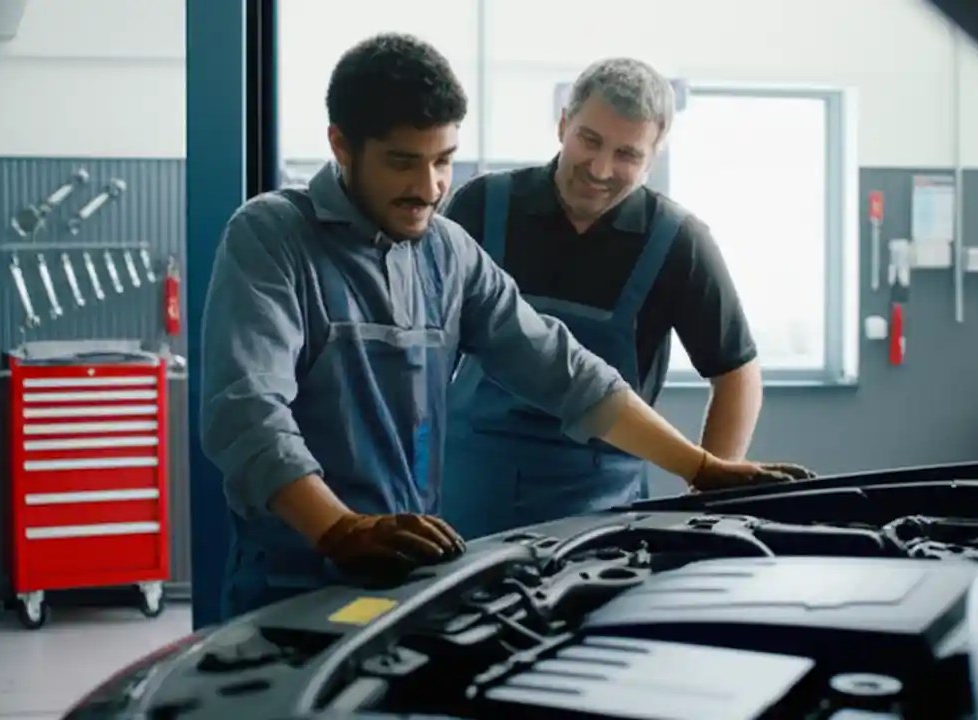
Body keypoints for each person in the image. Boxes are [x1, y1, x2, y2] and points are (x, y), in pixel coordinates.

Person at [199, 33, 811, 621]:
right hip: (291, 576)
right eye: (402, 163)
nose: (429, 188)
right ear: (341, 145)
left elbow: (563, 370)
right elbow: (245, 410)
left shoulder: (447, 251)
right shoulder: (272, 235)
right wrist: (337, 528)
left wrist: (700, 467)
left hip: (407, 570)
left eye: (443, 161)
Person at [439, 57, 790, 540]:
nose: (601, 169)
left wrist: (708, 495)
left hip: (601, 504)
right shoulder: (479, 206)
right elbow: (425, 350)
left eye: (627, 153)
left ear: (655, 154)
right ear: (563, 124)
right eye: (589, 140)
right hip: (468, 490)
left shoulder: (678, 241)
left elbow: (737, 373)